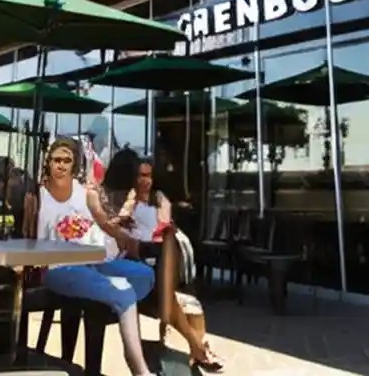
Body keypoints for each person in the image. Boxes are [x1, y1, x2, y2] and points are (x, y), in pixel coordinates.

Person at [24, 138, 157, 376]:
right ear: (48, 163)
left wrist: (127, 236)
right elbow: (27, 236)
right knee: (123, 290)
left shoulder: (86, 194)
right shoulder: (37, 195)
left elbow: (105, 225)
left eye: (67, 160)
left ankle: (107, 304)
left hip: (93, 261)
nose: (61, 165)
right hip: (58, 267)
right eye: (57, 160)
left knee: (145, 275)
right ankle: (140, 370)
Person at [104, 148, 224, 371]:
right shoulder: (112, 198)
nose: (143, 180)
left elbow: (163, 225)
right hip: (133, 259)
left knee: (175, 283)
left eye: (147, 175)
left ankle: (195, 346)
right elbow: (115, 233)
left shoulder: (156, 199)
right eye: (139, 175)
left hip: (155, 258)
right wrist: (124, 217)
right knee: (178, 298)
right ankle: (197, 346)